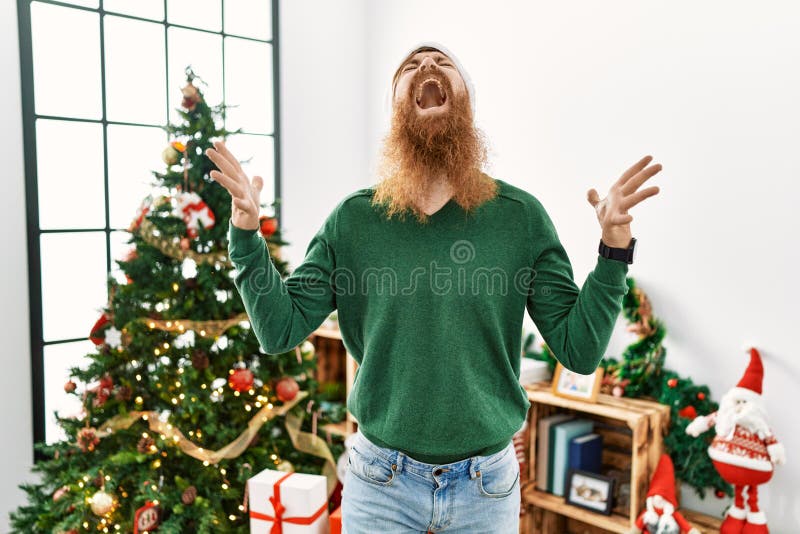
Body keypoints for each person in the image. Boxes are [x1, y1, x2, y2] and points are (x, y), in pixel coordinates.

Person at [207, 41, 662, 534]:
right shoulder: (354, 220)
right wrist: (246, 236)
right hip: (379, 484)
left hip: (485, 489)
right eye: (411, 66)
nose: (427, 66)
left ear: (468, 100)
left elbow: (580, 349)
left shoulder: (521, 218)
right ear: (397, 106)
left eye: (444, 62)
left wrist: (614, 249)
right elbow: (278, 329)